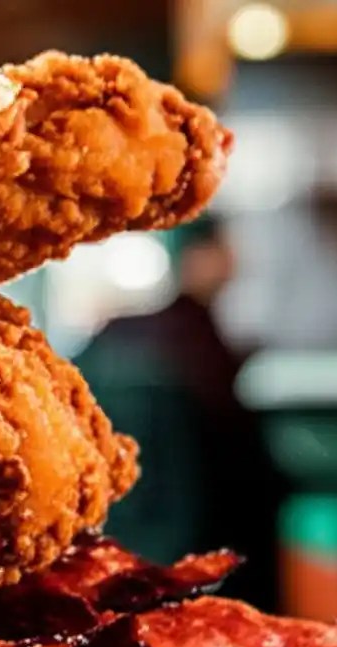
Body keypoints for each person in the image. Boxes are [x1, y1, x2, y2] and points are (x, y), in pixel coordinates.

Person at [76, 217, 282, 610]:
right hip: (198, 540)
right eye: (224, 250)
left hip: (110, 543)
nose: (236, 261)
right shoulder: (199, 341)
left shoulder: (121, 330)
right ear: (196, 257)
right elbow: (238, 451)